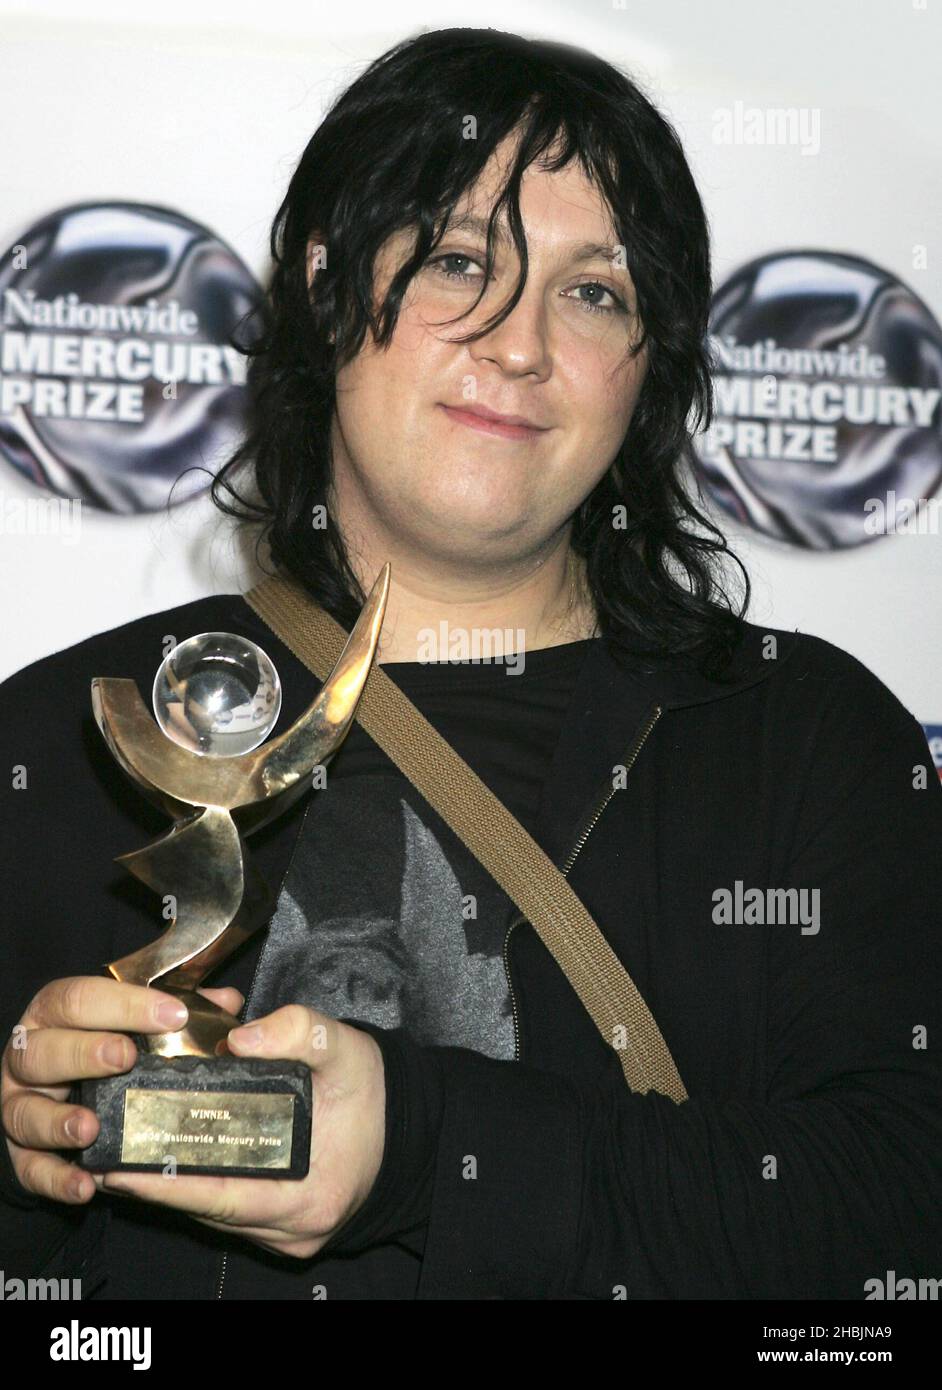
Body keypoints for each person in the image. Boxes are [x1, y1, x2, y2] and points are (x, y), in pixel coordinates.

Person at [1, 26, 940, 1301]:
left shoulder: (813, 740)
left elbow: (898, 1212)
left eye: (596, 291)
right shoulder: (71, 735)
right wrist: (28, 1163)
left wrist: (429, 1147)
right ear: (328, 292)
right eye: (457, 261)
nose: (519, 342)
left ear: (647, 370)